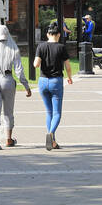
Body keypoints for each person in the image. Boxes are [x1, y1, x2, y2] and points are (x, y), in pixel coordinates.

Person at [0, 24, 30, 150]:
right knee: (8, 112)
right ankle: (8, 139)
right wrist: (26, 87)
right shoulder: (13, 48)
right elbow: (19, 71)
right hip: (8, 79)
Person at [34, 20, 74, 151]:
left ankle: (53, 142)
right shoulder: (61, 47)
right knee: (57, 113)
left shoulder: (41, 46)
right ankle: (50, 135)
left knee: (49, 111)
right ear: (58, 35)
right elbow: (68, 66)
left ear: (47, 34)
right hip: (56, 81)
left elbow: (36, 64)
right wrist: (69, 78)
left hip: (43, 81)